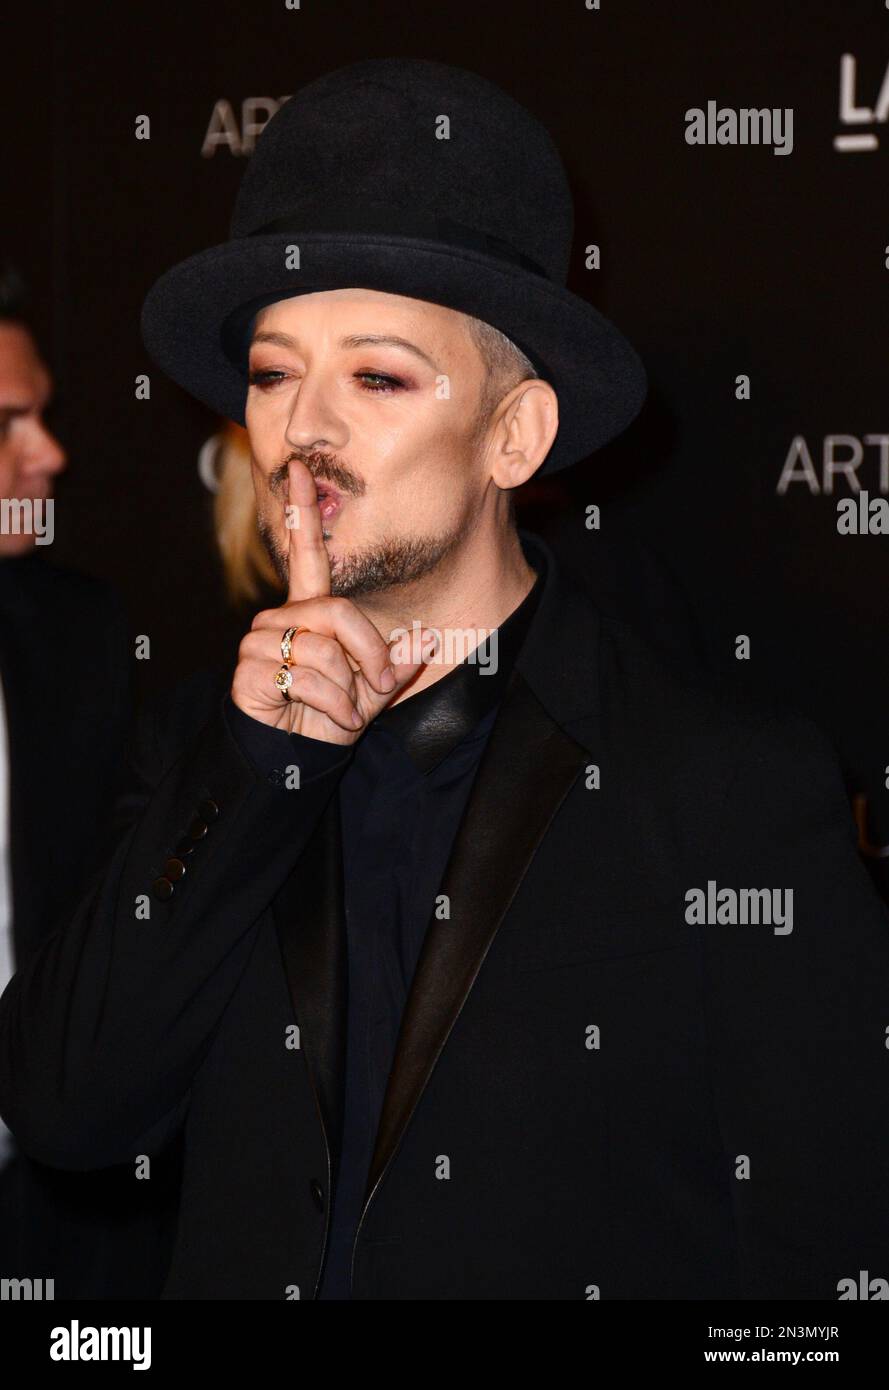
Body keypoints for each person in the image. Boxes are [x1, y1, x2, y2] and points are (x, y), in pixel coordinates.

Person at [2, 59, 888, 1300]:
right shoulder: (197, 751)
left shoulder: (725, 787)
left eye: (376, 376)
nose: (303, 428)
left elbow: (831, 1262)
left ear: (513, 436)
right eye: (272, 372)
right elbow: (65, 1110)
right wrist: (254, 772)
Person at [0, 257, 178, 1298]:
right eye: (7, 423)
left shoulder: (81, 634)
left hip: (57, 1214)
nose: (49, 455)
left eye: (43, 415)